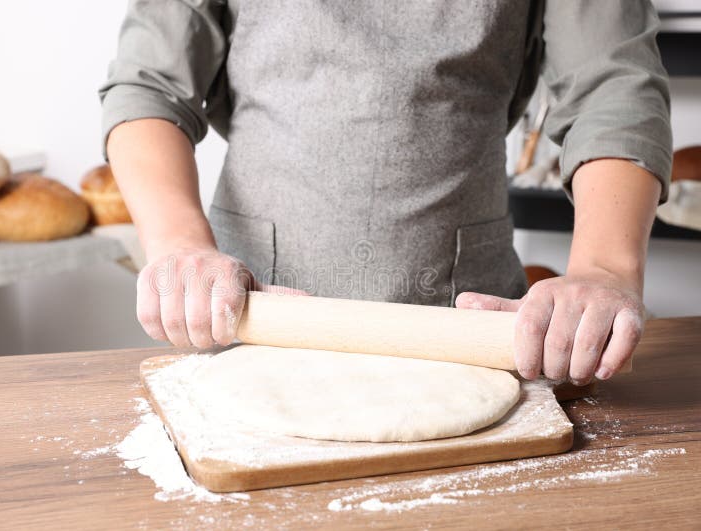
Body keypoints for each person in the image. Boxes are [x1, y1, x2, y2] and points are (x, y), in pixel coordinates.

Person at [100, 1, 672, 386]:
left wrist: (604, 269)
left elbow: (612, 87)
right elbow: (149, 85)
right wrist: (179, 245)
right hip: (247, 319)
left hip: (474, 335)